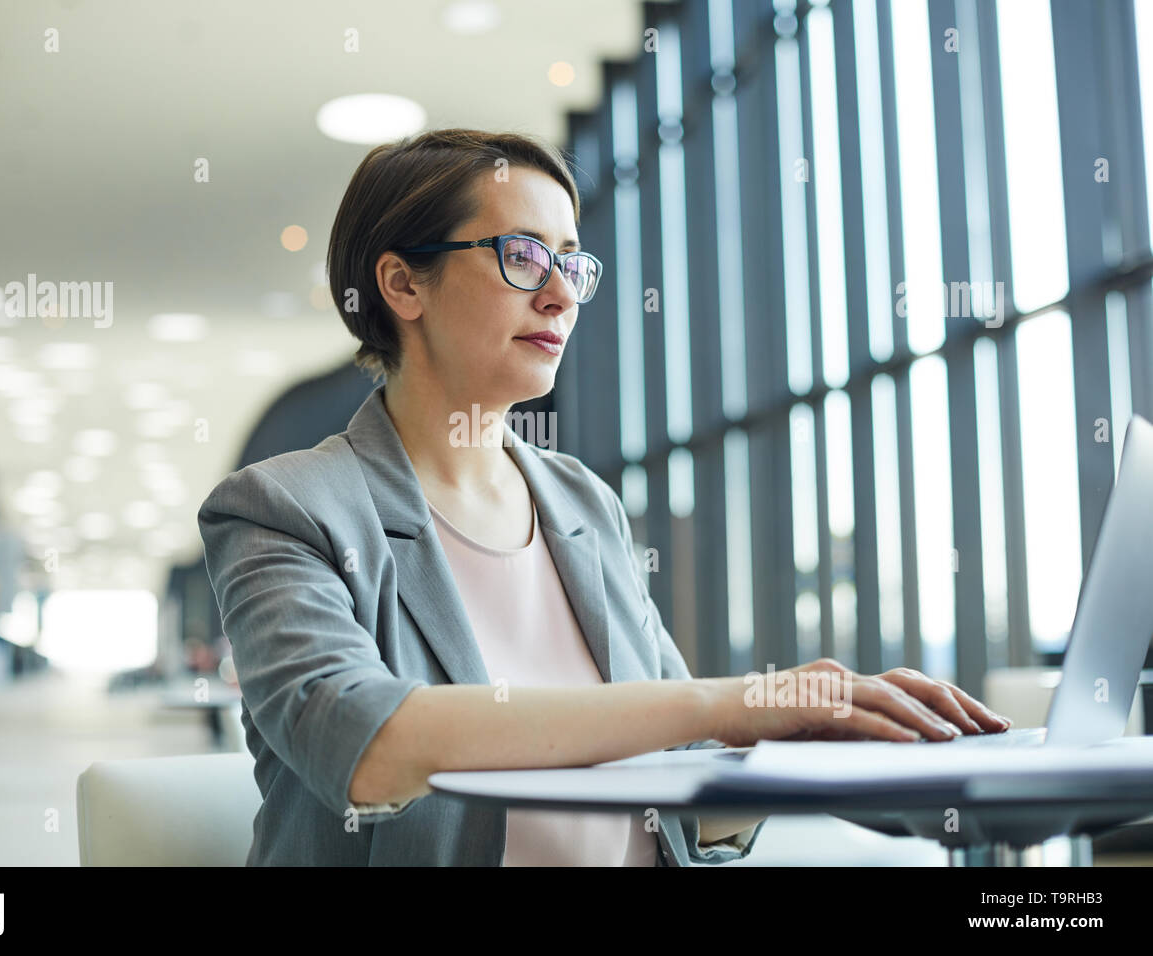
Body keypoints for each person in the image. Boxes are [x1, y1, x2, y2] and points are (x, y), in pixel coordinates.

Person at [197, 128, 1011, 866]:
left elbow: (686, 795)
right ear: (404, 285)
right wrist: (731, 704)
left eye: (572, 263)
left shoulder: (584, 504)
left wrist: (806, 753)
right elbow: (370, 743)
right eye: (522, 256)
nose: (560, 295)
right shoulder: (283, 508)